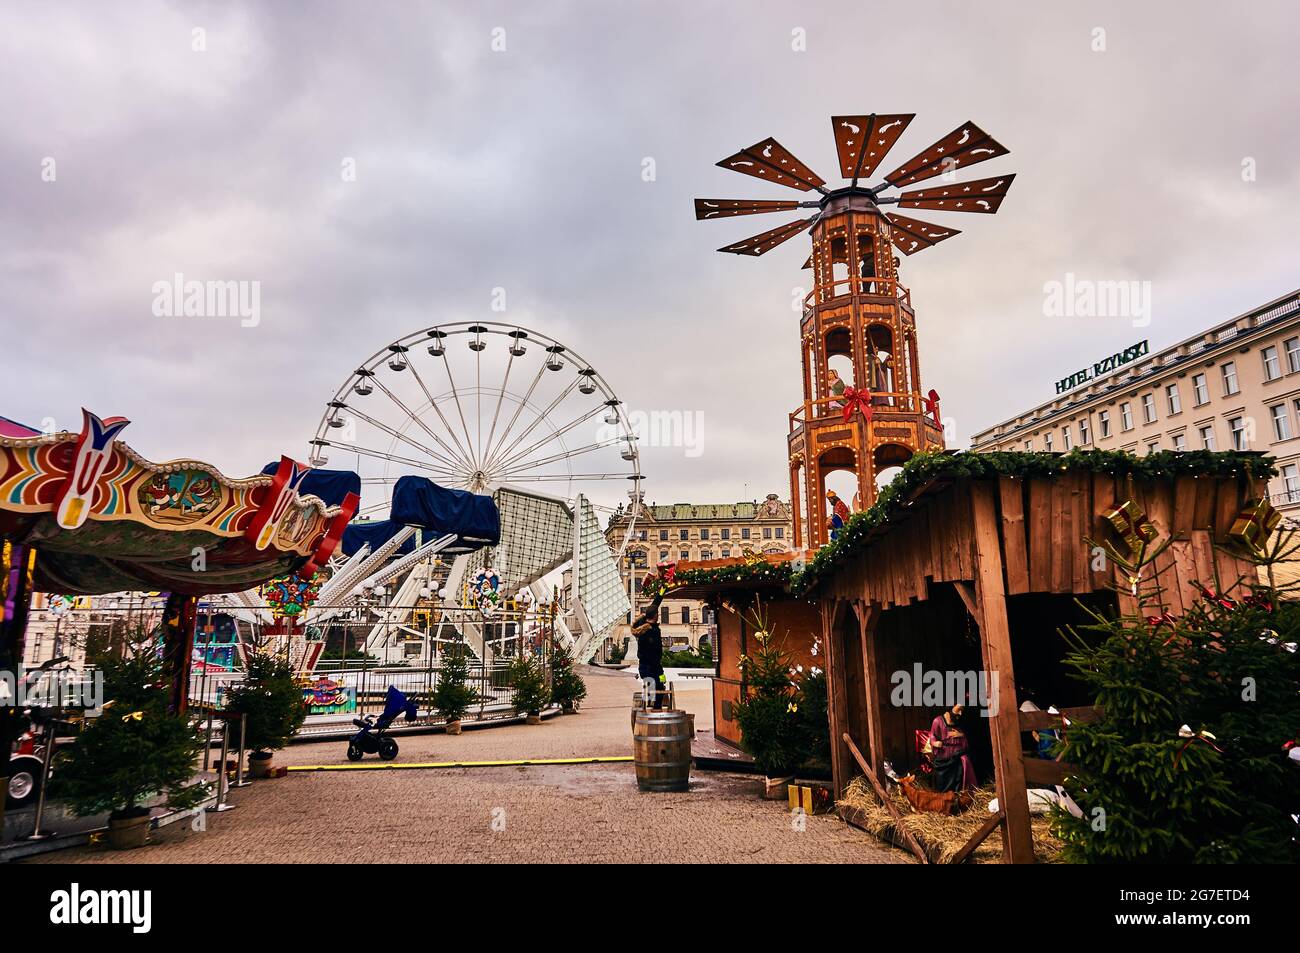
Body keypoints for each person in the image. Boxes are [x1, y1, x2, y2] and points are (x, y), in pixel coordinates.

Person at [928, 703, 976, 792]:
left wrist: (962, 735)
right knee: (943, 785)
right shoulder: (938, 721)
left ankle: (957, 797)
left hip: (957, 758)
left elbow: (967, 743)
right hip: (944, 758)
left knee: (958, 779)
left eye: (962, 710)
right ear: (950, 707)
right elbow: (932, 735)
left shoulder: (959, 722)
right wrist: (935, 743)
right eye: (959, 709)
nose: (960, 713)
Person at [632, 595, 666, 709]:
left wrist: (662, 590)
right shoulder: (648, 632)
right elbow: (652, 651)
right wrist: (656, 662)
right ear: (656, 615)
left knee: (661, 684)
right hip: (649, 666)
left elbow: (655, 603)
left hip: (656, 666)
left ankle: (657, 707)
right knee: (652, 690)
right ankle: (653, 710)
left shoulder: (643, 621)